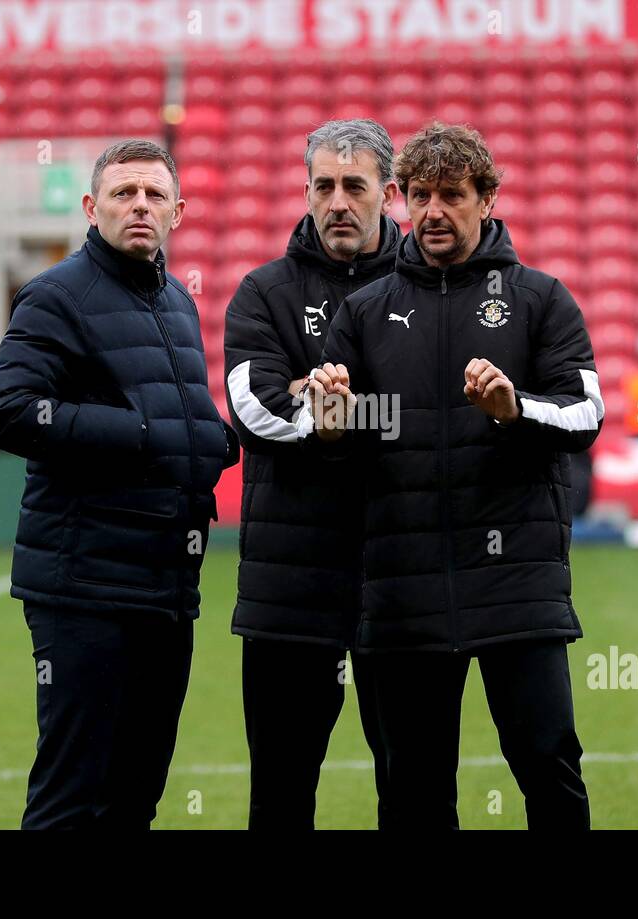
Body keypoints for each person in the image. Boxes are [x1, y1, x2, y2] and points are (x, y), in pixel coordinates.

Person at [308, 122, 602, 829]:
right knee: (412, 791)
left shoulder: (540, 299)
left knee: (548, 764)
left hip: (516, 586)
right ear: (402, 198)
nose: (432, 210)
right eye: (419, 195)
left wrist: (514, 408)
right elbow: (347, 452)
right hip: (402, 589)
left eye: (451, 195)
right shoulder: (366, 309)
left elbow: (586, 412)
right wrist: (332, 424)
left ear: (487, 199)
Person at [0, 139, 239, 829]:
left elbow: (175, 412)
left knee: (134, 798)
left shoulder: (178, 303)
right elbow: (8, 411)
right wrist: (142, 433)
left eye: (155, 195)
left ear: (178, 212)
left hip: (166, 586)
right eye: (124, 194)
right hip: (85, 586)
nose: (140, 206)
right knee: (70, 800)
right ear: (93, 208)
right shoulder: (55, 295)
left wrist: (216, 438)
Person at [223, 119, 399, 828]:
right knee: (280, 794)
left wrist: (337, 405)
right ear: (305, 190)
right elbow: (250, 410)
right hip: (288, 583)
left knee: (416, 790)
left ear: (388, 193)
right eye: (323, 185)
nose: (338, 202)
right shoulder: (262, 292)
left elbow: (434, 411)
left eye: (355, 186)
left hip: (401, 577)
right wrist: (317, 412)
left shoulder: (430, 290)